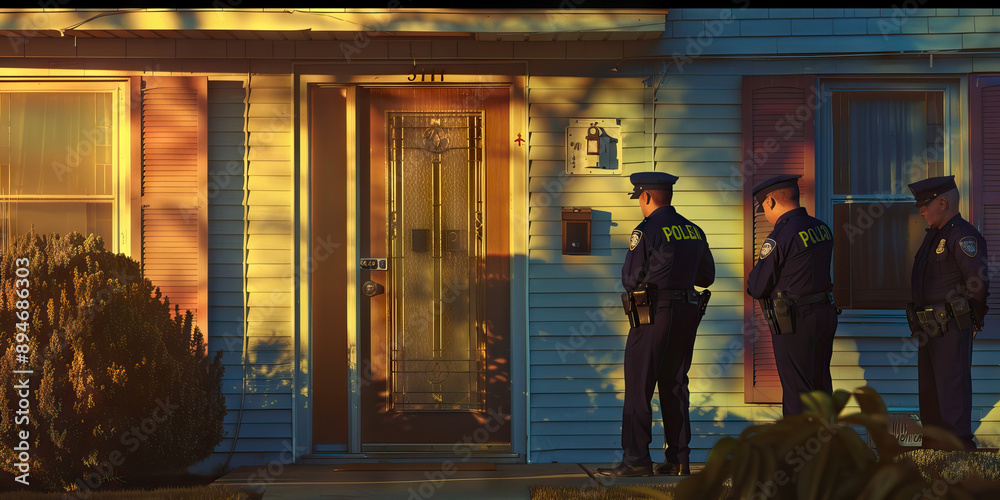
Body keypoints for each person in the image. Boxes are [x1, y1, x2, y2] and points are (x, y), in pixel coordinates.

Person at [597, 172, 715, 477]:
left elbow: (630, 279)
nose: (639, 203)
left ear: (646, 196)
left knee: (639, 385)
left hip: (653, 314)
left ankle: (636, 460)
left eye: (639, 198)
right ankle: (679, 460)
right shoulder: (694, 230)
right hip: (686, 312)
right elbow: (707, 277)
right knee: (675, 385)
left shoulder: (647, 230)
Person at [906, 175, 988, 451]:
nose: (922, 210)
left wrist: (971, 320)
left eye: (925, 205)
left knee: (952, 393)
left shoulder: (962, 235)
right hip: (928, 328)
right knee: (930, 395)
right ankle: (933, 451)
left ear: (943, 203)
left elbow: (977, 280)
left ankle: (958, 453)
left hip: (951, 326)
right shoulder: (934, 236)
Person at [746, 174, 838, 416]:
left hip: (795, 320)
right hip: (824, 313)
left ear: (770, 203)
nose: (764, 215)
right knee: (821, 387)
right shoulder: (821, 228)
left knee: (797, 390)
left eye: (763, 208)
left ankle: (798, 451)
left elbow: (757, 287)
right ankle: (826, 449)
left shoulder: (781, 235)